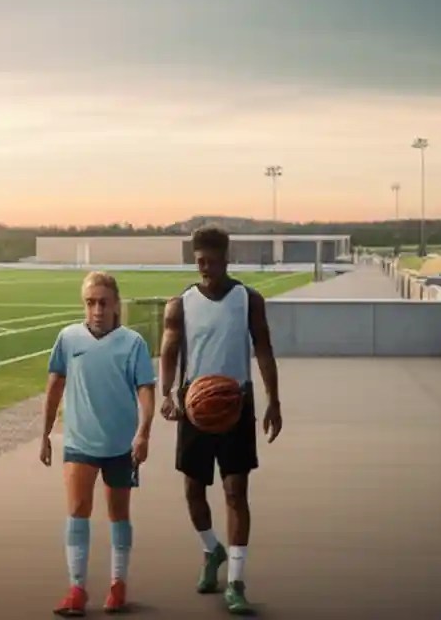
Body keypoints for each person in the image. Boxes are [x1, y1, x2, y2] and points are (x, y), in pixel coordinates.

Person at [159, 225, 282, 615]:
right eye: (199, 262)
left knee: (235, 492)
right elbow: (169, 351)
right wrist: (167, 394)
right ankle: (212, 549)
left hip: (235, 404)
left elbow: (263, 349)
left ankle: (236, 582)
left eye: (212, 261)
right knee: (194, 493)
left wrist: (273, 401)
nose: (206, 268)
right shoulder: (180, 303)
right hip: (195, 405)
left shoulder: (249, 300)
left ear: (227, 258)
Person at [42, 271, 157, 616]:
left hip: (121, 445)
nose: (96, 310)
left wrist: (144, 431)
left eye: (103, 303)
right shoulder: (68, 338)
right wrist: (45, 434)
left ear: (116, 305)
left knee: (118, 514)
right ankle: (77, 588)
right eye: (90, 303)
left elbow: (146, 390)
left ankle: (118, 585)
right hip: (79, 441)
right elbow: (54, 386)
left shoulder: (132, 343)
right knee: (77, 511)